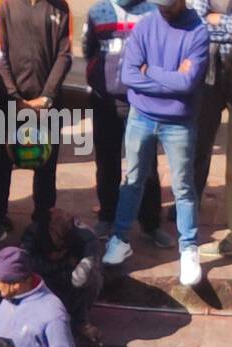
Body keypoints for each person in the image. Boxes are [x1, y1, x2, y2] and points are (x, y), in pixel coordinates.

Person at [102, 0, 209, 288]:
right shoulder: (146, 25)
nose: (163, 7)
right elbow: (128, 75)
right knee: (133, 179)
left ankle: (188, 248)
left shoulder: (198, 31)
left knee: (183, 186)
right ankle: (120, 238)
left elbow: (188, 83)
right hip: (141, 116)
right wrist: (169, 79)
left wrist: (150, 71)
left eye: (169, 3)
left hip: (179, 122)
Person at [84, 0, 168, 246]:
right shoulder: (97, 12)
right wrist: (98, 84)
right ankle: (107, 216)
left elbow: (161, 53)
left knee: (146, 165)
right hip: (105, 102)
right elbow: (88, 50)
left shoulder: (154, 12)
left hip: (142, 103)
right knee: (107, 162)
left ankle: (150, 223)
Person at [0, 0, 72, 238]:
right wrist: (14, 96)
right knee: (1, 165)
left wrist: (46, 96)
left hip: (48, 104)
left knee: (46, 165)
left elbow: (64, 55)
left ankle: (43, 223)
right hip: (8, 102)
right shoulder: (1, 4)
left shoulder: (61, 7)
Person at [20, 208, 104, 335]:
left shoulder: (88, 238)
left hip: (72, 281)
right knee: (23, 278)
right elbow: (23, 264)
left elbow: (80, 278)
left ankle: (81, 322)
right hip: (44, 279)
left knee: (91, 278)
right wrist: (61, 264)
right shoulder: (32, 232)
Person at [192, 0, 232, 256]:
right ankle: (190, 203)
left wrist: (216, 20)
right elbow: (194, 22)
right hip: (208, 75)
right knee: (197, 145)